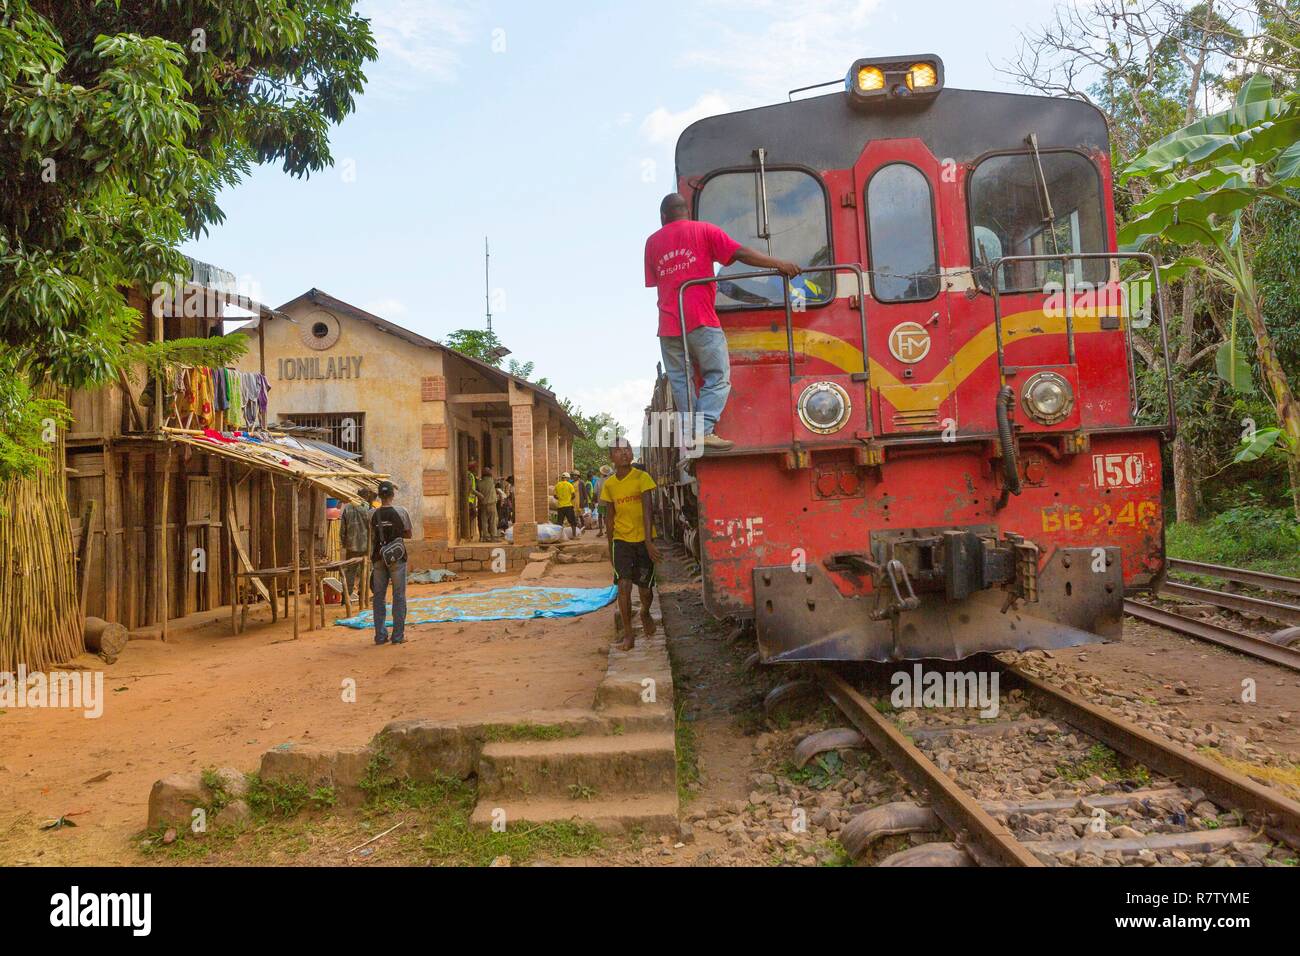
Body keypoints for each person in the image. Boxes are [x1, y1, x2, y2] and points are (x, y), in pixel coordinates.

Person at [646, 192, 801, 450]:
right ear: (687, 213)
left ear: (663, 217)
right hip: (701, 319)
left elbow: (656, 281)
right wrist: (779, 263)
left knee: (682, 381)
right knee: (717, 375)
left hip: (669, 325)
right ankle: (703, 430)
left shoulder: (652, 242)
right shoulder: (704, 230)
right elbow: (740, 253)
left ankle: (692, 435)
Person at [600, 440, 659, 651]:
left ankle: (644, 612)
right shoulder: (609, 485)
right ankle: (628, 634)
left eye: (627, 449)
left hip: (643, 541)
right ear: (611, 457)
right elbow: (609, 517)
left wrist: (650, 542)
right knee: (623, 585)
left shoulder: (642, 478)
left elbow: (648, 511)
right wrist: (610, 547)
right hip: (621, 540)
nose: (624, 453)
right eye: (618, 451)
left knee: (645, 589)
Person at [369, 480, 412, 646]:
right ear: (393, 495)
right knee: (399, 596)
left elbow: (372, 534)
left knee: (379, 597)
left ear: (379, 496)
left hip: (379, 558)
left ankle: (380, 636)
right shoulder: (401, 511)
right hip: (397, 558)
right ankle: (398, 636)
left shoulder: (372, 513)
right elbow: (408, 534)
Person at [340, 496, 372, 598]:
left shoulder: (347, 508)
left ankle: (346, 596)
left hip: (351, 546)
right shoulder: (368, 509)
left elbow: (342, 529)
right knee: (365, 570)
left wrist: (345, 543)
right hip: (366, 546)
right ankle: (362, 594)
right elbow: (372, 528)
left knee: (350, 571)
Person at [555, 471, 580, 538]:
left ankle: (559, 537)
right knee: (572, 522)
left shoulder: (557, 485)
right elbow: (573, 495)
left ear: (562, 478)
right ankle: (574, 536)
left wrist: (560, 499)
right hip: (568, 506)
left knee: (560, 522)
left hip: (560, 506)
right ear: (568, 478)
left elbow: (555, 496)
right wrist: (569, 499)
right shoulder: (570, 485)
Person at [478, 466, 499, 542]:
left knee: (484, 521)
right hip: (492, 504)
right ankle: (494, 537)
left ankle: (485, 537)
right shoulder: (491, 481)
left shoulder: (479, 483)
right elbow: (497, 479)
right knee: (493, 521)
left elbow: (475, 491)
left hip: (483, 505)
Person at [594, 464, 612, 537]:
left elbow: (595, 492)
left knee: (600, 516)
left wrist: (594, 501)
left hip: (601, 501)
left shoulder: (598, 481)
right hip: (609, 502)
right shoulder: (610, 480)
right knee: (608, 517)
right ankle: (608, 531)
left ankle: (601, 531)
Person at [463, 461, 479, 542]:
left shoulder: (471, 475)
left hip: (470, 500)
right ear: (472, 468)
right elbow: (470, 488)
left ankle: (469, 535)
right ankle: (468, 535)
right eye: (476, 467)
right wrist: (479, 495)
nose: (477, 469)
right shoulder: (470, 475)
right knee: (470, 517)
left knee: (471, 517)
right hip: (469, 500)